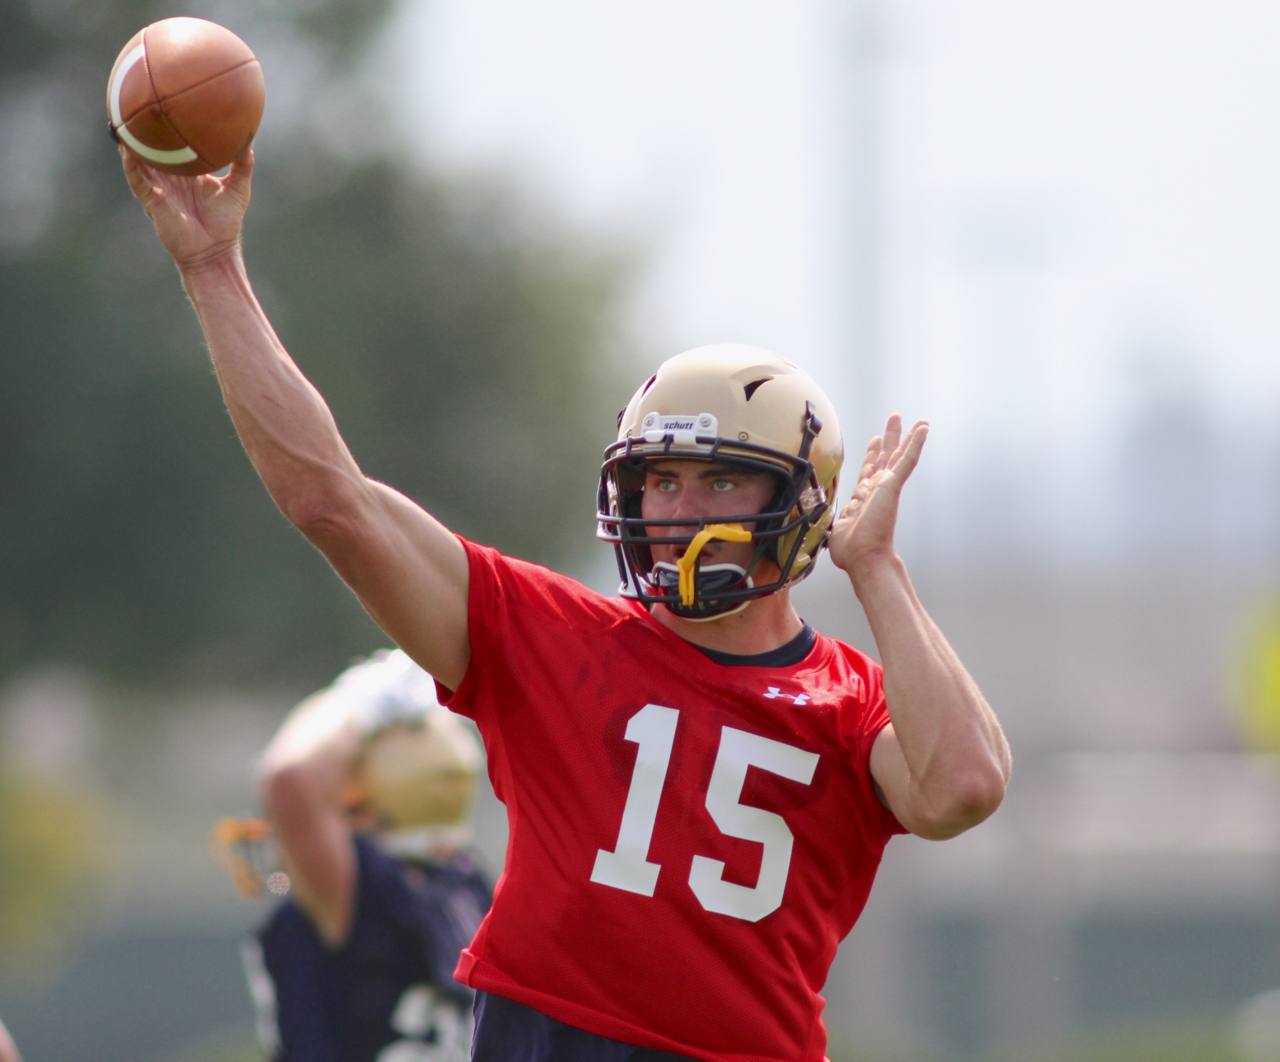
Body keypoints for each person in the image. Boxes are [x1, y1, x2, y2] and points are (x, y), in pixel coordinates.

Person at [123, 146, 1010, 1062]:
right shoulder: (550, 634)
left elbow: (962, 788)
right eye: (659, 480)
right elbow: (332, 500)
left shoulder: (852, 702)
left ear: (800, 506)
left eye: (719, 482)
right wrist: (212, 267)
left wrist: (877, 572)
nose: (678, 510)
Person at [224, 649, 491, 1062]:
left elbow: (291, 779)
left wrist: (360, 701)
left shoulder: (365, 887)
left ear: (369, 797)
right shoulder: (467, 883)